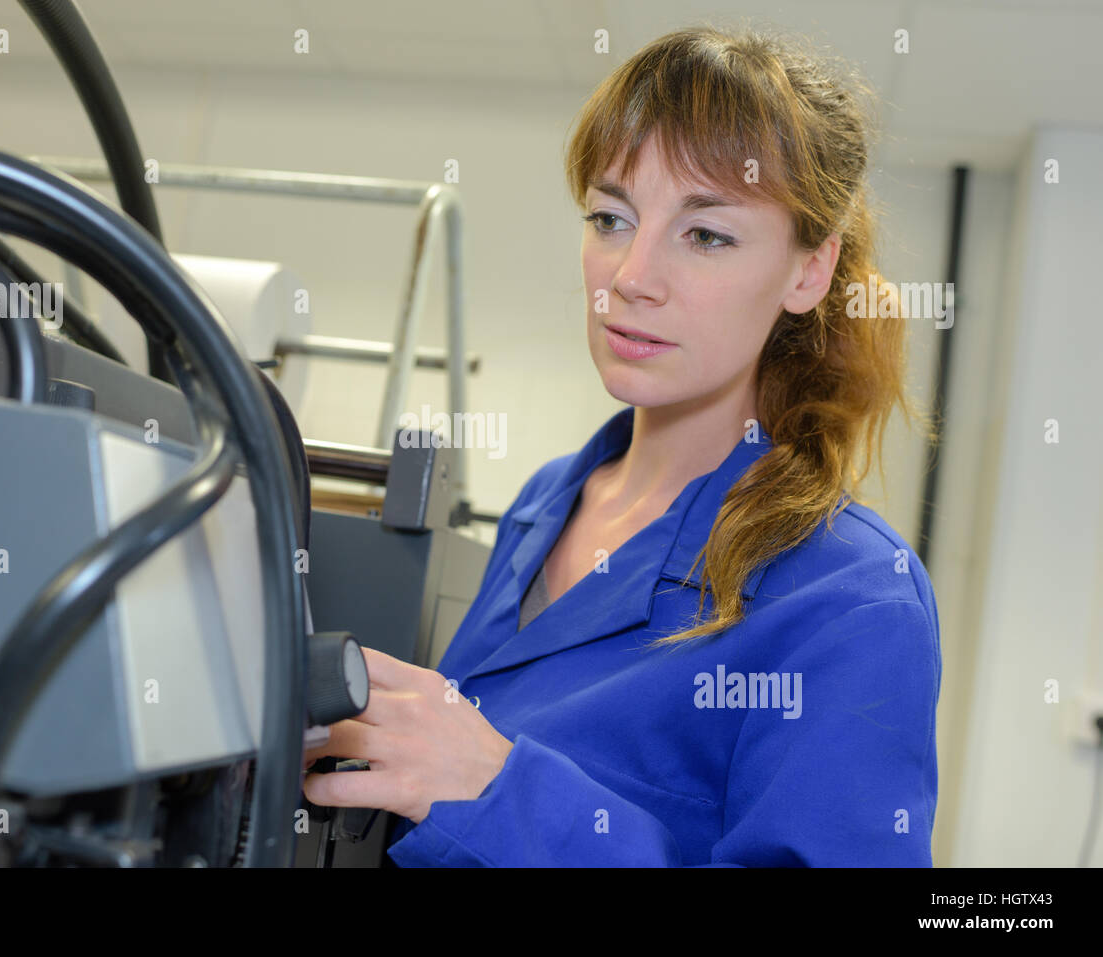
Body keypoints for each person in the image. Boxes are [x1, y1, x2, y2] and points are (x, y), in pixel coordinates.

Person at [302, 24, 941, 867]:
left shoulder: (852, 599)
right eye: (611, 217)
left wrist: (500, 790)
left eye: (706, 234)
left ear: (808, 272)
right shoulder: (545, 503)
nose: (631, 276)